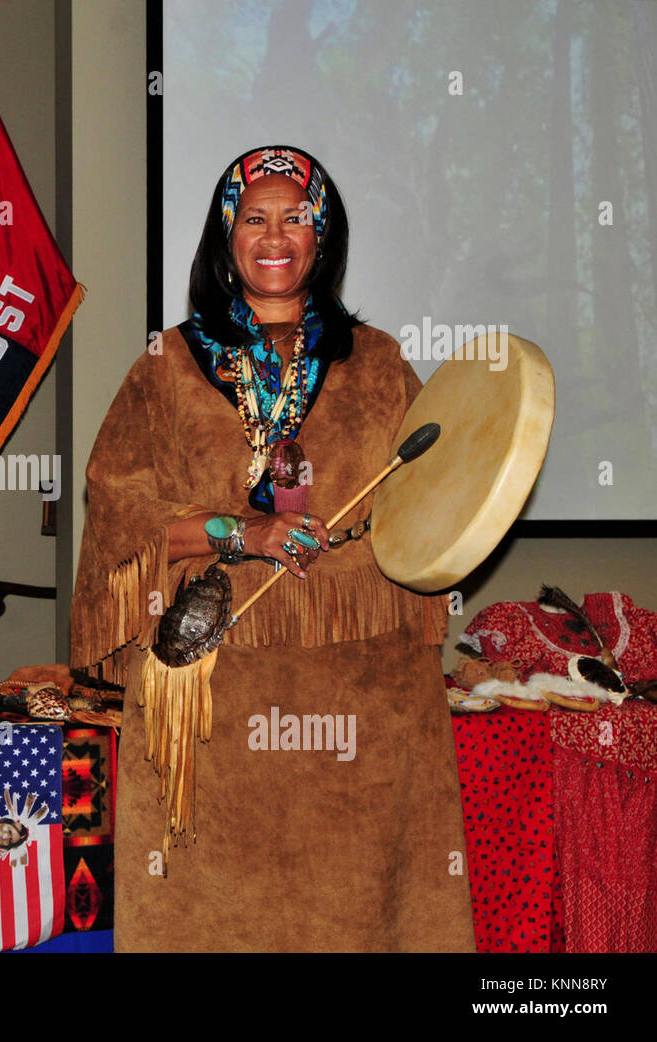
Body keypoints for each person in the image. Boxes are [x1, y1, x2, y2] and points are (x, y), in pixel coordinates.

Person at [71, 146, 475, 952]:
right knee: (210, 913)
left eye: (297, 216)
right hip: (216, 697)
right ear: (227, 236)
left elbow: (437, 495)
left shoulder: (381, 362)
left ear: (323, 236)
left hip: (364, 696)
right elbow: (118, 504)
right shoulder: (169, 365)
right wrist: (237, 530)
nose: (276, 235)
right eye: (254, 217)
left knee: (365, 907)